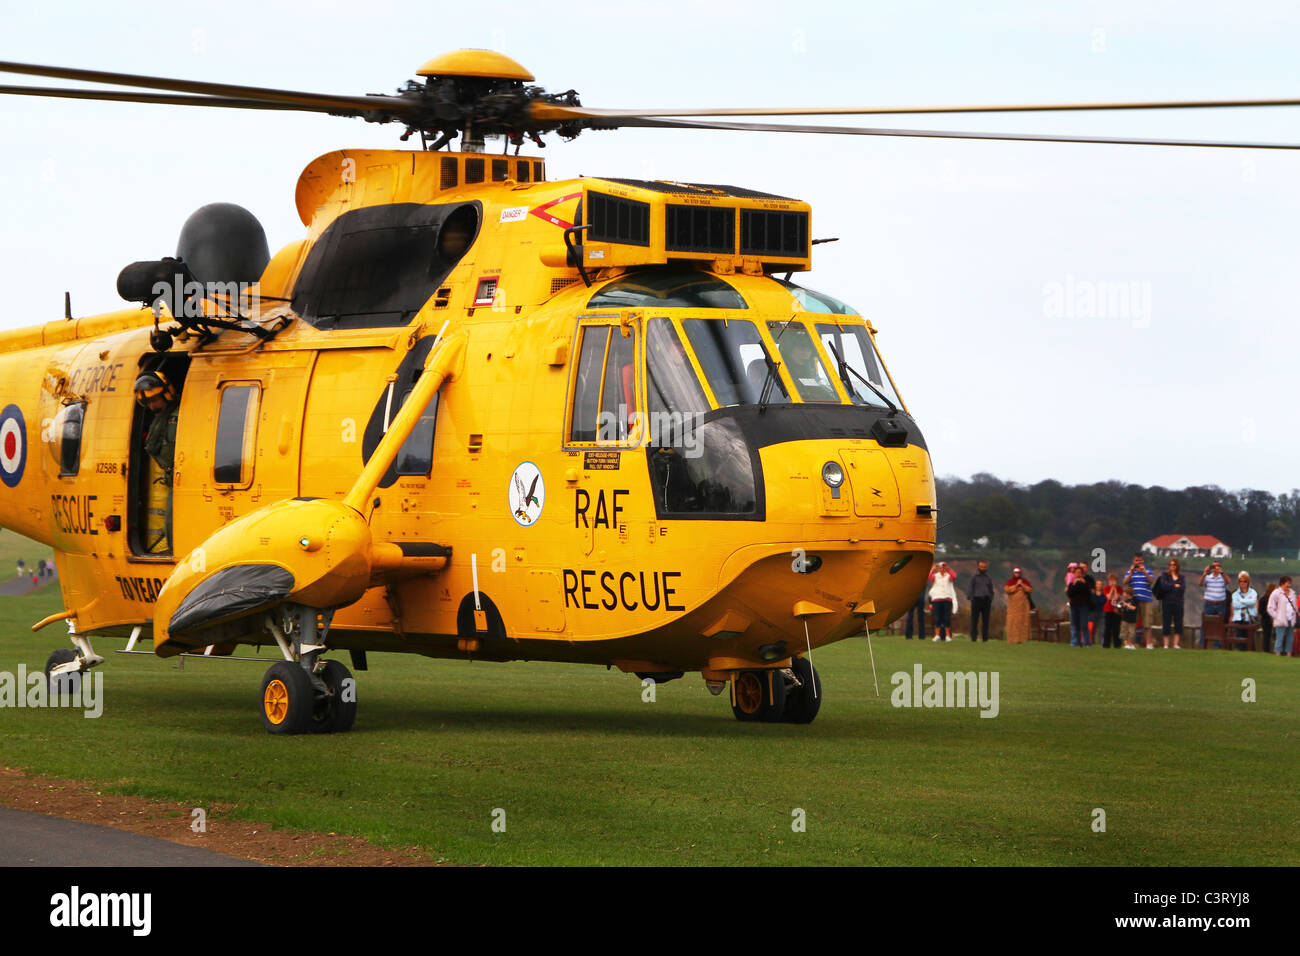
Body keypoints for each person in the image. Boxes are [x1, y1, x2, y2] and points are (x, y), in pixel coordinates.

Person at [135, 370, 179, 554]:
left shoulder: (174, 419)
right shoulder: (160, 421)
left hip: (178, 482)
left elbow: (169, 455)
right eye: (149, 403)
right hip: (171, 482)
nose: (152, 406)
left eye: (155, 400)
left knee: (172, 528)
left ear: (166, 395)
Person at [1123, 553, 1158, 649]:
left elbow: (1151, 582)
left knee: (1147, 623)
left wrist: (1144, 572)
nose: (1138, 562)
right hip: (1134, 600)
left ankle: (1149, 644)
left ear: (1143, 561)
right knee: (1132, 622)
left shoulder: (1148, 571)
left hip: (1146, 599)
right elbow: (1125, 582)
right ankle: (1130, 643)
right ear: (1134, 561)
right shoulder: (1130, 571)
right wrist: (1131, 572)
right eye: (1136, 561)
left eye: (1140, 560)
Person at [1153, 558, 1187, 649]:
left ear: (1177, 566)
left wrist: (1172, 587)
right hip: (1167, 602)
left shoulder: (1181, 577)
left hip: (1178, 603)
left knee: (1178, 623)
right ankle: (1166, 644)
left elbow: (1182, 588)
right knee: (1166, 623)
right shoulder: (1165, 576)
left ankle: (1176, 644)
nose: (1172, 566)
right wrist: (1174, 586)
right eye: (1171, 565)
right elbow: (1164, 586)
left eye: (1174, 565)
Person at [1266, 576, 1297, 656]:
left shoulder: (1293, 593)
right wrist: (1277, 617)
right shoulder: (1276, 593)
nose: (1289, 585)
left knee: (1290, 638)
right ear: (1282, 583)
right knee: (1280, 638)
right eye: (1287, 583)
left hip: (1290, 619)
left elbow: (1295, 606)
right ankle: (1277, 653)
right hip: (1281, 620)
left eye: (1290, 583)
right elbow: (1270, 607)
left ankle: (1288, 654)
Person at [1066, 564, 1095, 647]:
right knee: (1075, 625)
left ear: (1082, 574)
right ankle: (1077, 643)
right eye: (1076, 572)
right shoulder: (1072, 584)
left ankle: (1087, 643)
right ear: (1074, 574)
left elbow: (1089, 594)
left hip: (1083, 606)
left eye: (1079, 572)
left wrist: (1084, 583)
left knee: (1084, 625)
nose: (1078, 574)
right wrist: (1074, 584)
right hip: (1074, 606)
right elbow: (1069, 594)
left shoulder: (1086, 584)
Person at [928, 561, 958, 642]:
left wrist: (948, 568)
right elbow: (929, 578)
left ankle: (948, 636)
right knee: (937, 617)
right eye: (940, 567)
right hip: (937, 598)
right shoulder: (936, 576)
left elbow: (954, 576)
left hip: (947, 598)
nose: (942, 569)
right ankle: (937, 635)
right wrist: (933, 568)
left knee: (947, 618)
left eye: (943, 567)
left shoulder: (948, 576)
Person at [1229, 572, 1259, 651]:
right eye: (1240, 581)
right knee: (1239, 641)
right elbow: (1235, 605)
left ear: (1248, 582)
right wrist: (1247, 602)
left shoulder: (1253, 592)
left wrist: (1241, 601)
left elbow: (1252, 602)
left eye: (1245, 581)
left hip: (1249, 619)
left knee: (1250, 642)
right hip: (1238, 619)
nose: (1242, 583)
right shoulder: (1235, 594)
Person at [967, 559, 995, 642]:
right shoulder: (974, 577)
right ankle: (973, 638)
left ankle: (985, 638)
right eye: (981, 567)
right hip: (976, 600)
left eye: (984, 567)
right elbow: (970, 588)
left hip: (986, 601)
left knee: (986, 621)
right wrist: (971, 598)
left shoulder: (988, 578)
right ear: (978, 567)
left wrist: (990, 598)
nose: (983, 568)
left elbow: (991, 589)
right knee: (974, 620)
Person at [1004, 567, 1033, 644]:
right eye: (1016, 573)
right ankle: (1012, 639)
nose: (1017, 574)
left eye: (1018, 573)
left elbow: (1030, 590)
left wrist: (1022, 585)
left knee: (1023, 622)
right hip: (1013, 606)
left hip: (1023, 606)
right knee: (1012, 622)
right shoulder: (1010, 581)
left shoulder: (1024, 581)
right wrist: (1016, 585)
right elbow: (1007, 590)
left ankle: (1022, 639)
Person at [1199, 559, 1229, 624]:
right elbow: (1200, 583)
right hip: (1209, 604)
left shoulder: (1223, 577)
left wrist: (1221, 572)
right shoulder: (1208, 577)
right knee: (1206, 623)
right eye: (1213, 566)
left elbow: (1228, 581)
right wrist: (1205, 573)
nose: (1215, 568)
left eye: (1217, 566)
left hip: (1220, 604)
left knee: (1220, 624)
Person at [1102, 573, 1123, 648]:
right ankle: (1106, 644)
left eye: (1113, 580)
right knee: (1107, 627)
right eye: (1110, 581)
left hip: (1116, 609)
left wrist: (1115, 589)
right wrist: (1111, 589)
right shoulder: (1106, 588)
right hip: (1108, 609)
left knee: (1116, 628)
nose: (1112, 582)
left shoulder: (1120, 588)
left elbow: (1117, 597)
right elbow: (1108, 597)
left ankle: (1117, 644)